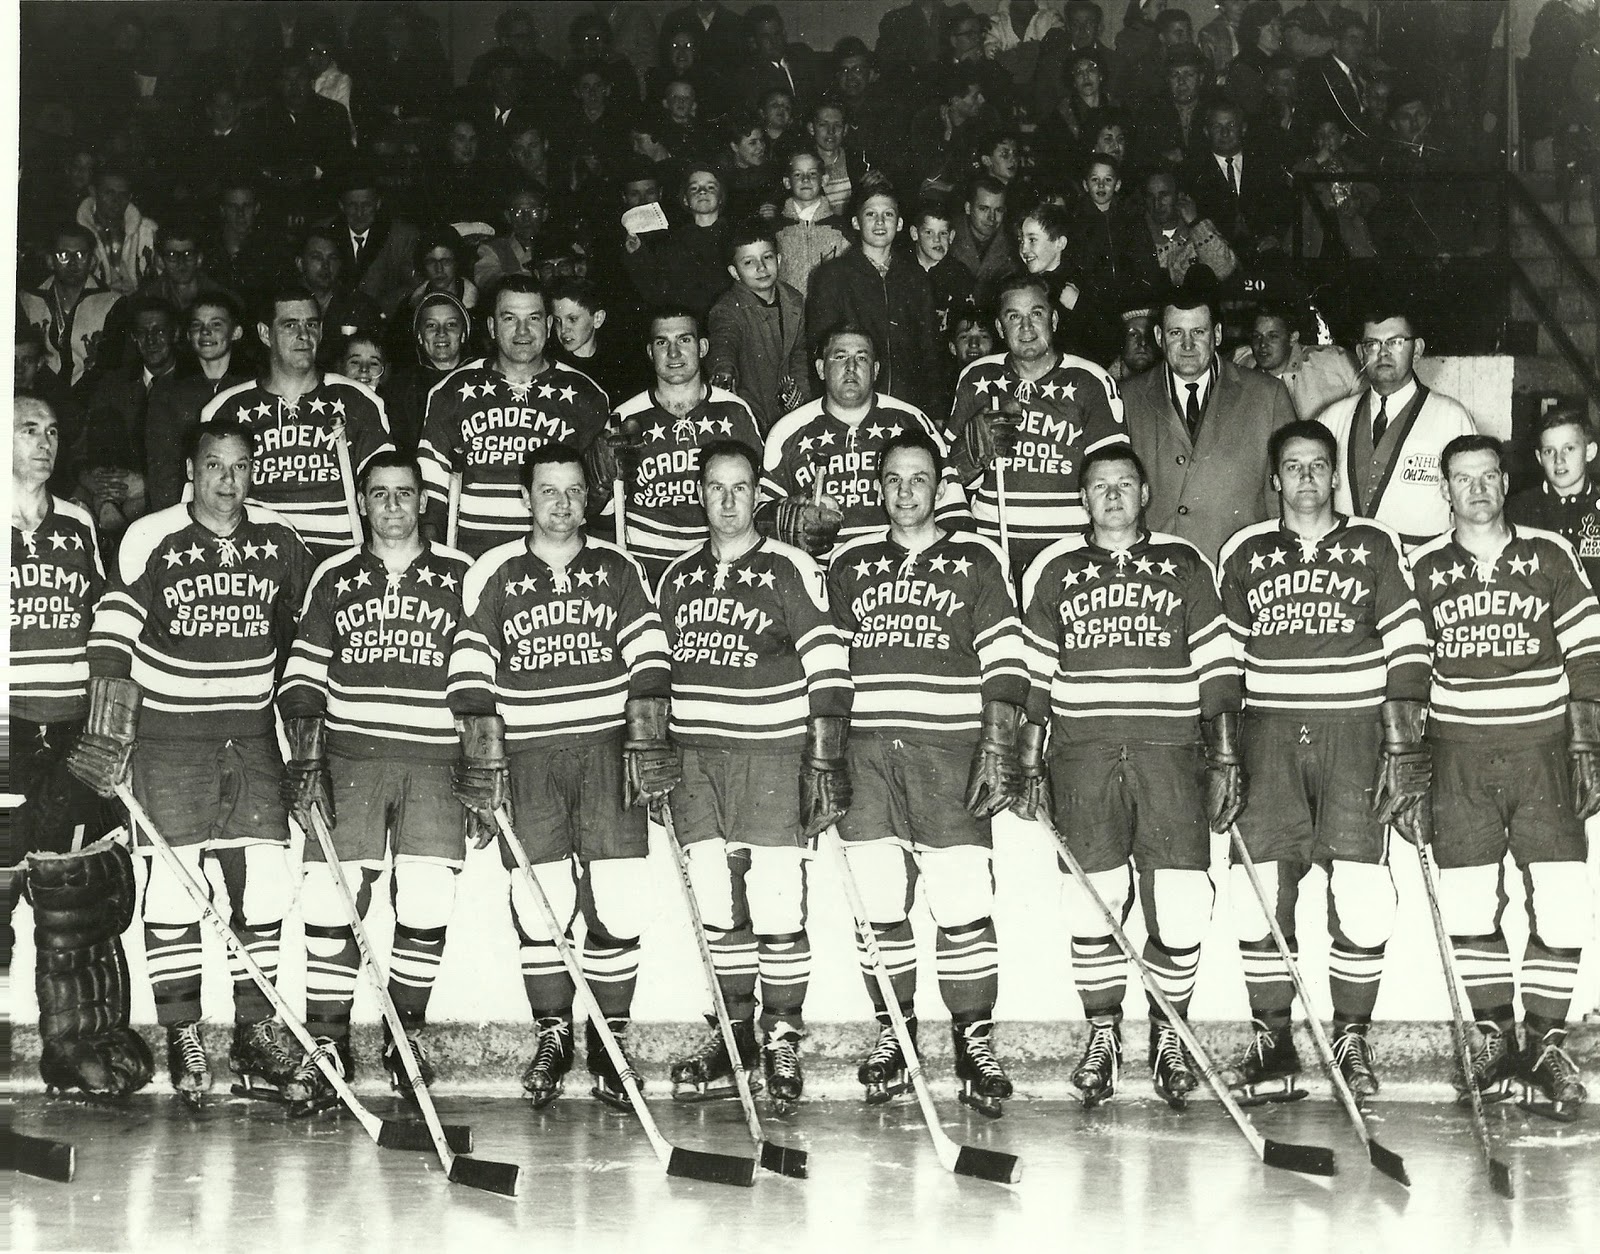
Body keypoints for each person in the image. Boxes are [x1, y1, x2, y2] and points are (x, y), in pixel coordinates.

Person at [67, 419, 317, 1108]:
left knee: (264, 884)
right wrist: (111, 731)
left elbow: (310, 629)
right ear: (191, 469)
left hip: (251, 736)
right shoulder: (152, 538)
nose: (228, 481)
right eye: (214, 466)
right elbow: (112, 637)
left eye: (240, 467)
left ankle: (256, 1030)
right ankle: (183, 1032)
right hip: (169, 740)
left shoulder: (280, 543)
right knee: (176, 890)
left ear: (252, 471)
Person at [1016, 442, 1244, 1108]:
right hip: (1083, 754)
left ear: (1145, 494)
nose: (1112, 495)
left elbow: (1218, 669)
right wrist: (1029, 756)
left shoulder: (1182, 563)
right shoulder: (1056, 568)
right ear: (1081, 499)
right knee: (1091, 902)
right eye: (1098, 486)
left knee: (1178, 905)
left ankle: (1170, 1032)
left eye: (1124, 484)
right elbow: (1035, 673)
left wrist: (1225, 754)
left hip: (1170, 752)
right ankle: (1104, 1033)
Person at [449, 442, 676, 1110]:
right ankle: (553, 1033)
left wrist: (648, 729)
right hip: (529, 755)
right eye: (548, 491)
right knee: (539, 900)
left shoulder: (617, 567)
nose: (562, 504)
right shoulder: (495, 571)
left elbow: (651, 654)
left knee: (621, 897)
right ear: (525, 499)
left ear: (589, 498)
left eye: (574, 491)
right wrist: (482, 749)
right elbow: (469, 670)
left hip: (607, 750)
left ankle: (610, 1041)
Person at [1215, 420, 1432, 1104]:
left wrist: (1403, 735)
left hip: (1354, 735)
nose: (1305, 478)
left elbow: (1408, 639)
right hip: (1269, 735)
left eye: (1317, 466)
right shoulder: (1245, 549)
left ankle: (1350, 1041)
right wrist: (1222, 743)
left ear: (1334, 475)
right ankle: (1272, 1044)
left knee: (1364, 899)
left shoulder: (1372, 542)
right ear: (1274, 479)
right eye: (1292, 467)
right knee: (1259, 898)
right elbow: (1223, 658)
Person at [827, 429, 1024, 1114]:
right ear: (877, 487)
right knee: (879, 900)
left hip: (948, 752)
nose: (904, 491)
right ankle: (896, 1034)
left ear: (939, 485)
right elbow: (831, 665)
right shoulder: (851, 563)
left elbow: (1005, 658)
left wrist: (998, 744)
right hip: (870, 754)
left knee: (962, 899)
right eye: (892, 479)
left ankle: (974, 1041)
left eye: (918, 478)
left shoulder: (975, 558)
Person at [1409, 435, 1599, 1121]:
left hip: (1543, 748)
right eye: (1463, 480)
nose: (1478, 490)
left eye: (1489, 477)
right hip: (1459, 752)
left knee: (1564, 894)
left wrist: (1586, 738)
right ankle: (1494, 1032)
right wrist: (1407, 754)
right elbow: (1406, 665)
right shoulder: (1423, 566)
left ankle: (1546, 1041)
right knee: (1465, 898)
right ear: (1446, 491)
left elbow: (1586, 648)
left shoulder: (1549, 552)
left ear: (1503, 481)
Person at [660, 439, 853, 1112]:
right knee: (717, 903)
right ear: (700, 494)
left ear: (758, 496)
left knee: (775, 901)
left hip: (772, 752)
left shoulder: (789, 567)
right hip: (697, 762)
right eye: (716, 488)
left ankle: (782, 1035)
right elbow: (658, 672)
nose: (729, 501)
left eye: (742, 488)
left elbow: (828, 660)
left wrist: (824, 751)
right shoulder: (677, 577)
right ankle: (733, 1032)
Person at [276, 451, 473, 1106]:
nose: (392, 505)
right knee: (329, 899)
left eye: (405, 494)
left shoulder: (461, 574)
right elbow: (302, 676)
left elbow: (481, 677)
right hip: (351, 758)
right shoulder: (335, 575)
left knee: (426, 901)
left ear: (424, 501)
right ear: (362, 501)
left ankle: (403, 1034)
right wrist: (306, 759)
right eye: (379, 493)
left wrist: (480, 758)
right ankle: (328, 1044)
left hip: (434, 761)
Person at [13, 395, 154, 1101]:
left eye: (53, 430)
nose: (45, 442)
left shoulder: (73, 521)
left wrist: (108, 715)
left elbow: (106, 617)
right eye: (28, 430)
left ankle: (74, 1049)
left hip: (67, 731)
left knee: (76, 900)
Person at [946, 274, 1129, 574]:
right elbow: (948, 475)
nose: (1026, 327)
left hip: (1069, 556)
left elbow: (1116, 478)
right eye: (1014, 316)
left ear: (1054, 319)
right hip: (994, 550)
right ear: (999, 327)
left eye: (1036, 313)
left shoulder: (1090, 380)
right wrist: (970, 454)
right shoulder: (977, 377)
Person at [418, 276, 610, 558]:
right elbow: (432, 493)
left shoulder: (585, 395)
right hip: (472, 554)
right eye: (509, 318)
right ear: (492, 327)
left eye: (533, 318)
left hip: (553, 558)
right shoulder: (451, 392)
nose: (523, 331)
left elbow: (597, 501)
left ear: (547, 326)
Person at [200, 285, 394, 558]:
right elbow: (202, 507)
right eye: (290, 325)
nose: (304, 335)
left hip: (337, 563)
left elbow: (387, 491)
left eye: (312, 325)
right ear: (265, 333)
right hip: (258, 561)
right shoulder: (226, 409)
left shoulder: (358, 400)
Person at [760, 325, 968, 560]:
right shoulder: (787, 430)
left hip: (900, 574)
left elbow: (953, 511)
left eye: (862, 357)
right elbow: (759, 518)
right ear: (820, 369)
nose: (851, 367)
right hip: (820, 574)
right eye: (840, 357)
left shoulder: (912, 420)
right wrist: (786, 517)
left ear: (876, 369)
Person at [1122, 289, 1297, 561]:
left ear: (1217, 334)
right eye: (1176, 333)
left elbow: (1284, 496)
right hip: (1156, 572)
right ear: (1158, 337)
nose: (1188, 345)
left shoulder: (1267, 395)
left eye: (1198, 332)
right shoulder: (1127, 398)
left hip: (1240, 568)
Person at [599, 306, 764, 585]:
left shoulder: (735, 411)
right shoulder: (624, 418)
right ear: (651, 352)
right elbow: (605, 509)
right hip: (648, 565)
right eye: (663, 342)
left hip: (721, 561)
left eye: (684, 340)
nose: (673, 353)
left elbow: (760, 495)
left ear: (702, 347)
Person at [1315, 306, 1478, 550]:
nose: (1383, 353)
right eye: (1372, 344)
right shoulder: (1332, 418)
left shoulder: (1451, 418)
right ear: (1360, 353)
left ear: (1417, 350)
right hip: (1347, 569)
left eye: (1396, 342)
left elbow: (1472, 504)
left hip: (1422, 564)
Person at [806, 183, 940, 417]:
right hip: (851, 402)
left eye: (888, 214)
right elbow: (819, 347)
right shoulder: (833, 276)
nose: (880, 222)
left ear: (899, 224)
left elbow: (929, 348)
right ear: (856, 223)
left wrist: (934, 407)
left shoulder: (916, 278)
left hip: (907, 400)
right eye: (870, 214)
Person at [77, 294, 177, 547]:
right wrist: (90, 478)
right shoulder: (113, 384)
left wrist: (146, 484)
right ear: (133, 337)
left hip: (162, 497)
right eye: (142, 333)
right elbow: (80, 447)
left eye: (159, 331)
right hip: (108, 493)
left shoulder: (190, 385)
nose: (151, 340)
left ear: (175, 334)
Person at [145, 294, 253, 510]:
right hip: (188, 503)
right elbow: (162, 468)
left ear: (236, 332)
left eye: (216, 324)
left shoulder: (253, 386)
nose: (206, 332)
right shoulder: (167, 390)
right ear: (188, 335)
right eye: (197, 326)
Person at [707, 223, 811, 434]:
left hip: (791, 410)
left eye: (767, 257)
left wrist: (801, 399)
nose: (761, 267)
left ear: (779, 260)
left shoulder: (795, 300)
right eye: (749, 262)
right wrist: (723, 372)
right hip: (750, 408)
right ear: (735, 273)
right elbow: (724, 342)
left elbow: (800, 354)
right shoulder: (727, 308)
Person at [17, 223, 124, 388]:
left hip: (92, 398)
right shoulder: (28, 300)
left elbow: (111, 368)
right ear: (50, 261)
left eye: (80, 255)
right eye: (63, 255)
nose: (72, 263)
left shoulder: (112, 303)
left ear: (92, 261)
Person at [1507, 407, 1600, 587]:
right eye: (1549, 451)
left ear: (1590, 452)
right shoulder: (1518, 509)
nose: (1559, 460)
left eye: (1569, 448)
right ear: (1539, 457)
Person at [1232, 301, 1358, 421]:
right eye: (1256, 336)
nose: (1263, 344)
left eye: (1273, 336)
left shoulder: (1334, 362)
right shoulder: (1239, 365)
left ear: (1293, 338)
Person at [384, 292, 469, 456]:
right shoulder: (401, 387)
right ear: (420, 336)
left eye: (451, 324)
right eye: (431, 325)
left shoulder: (481, 376)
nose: (441, 332)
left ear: (463, 334)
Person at [293, 227, 384, 358]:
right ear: (300, 263)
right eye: (317, 257)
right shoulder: (284, 303)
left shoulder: (360, 306)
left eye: (332, 258)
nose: (325, 265)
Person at [551, 278, 643, 407]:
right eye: (557, 321)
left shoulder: (618, 367)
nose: (563, 329)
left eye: (572, 319)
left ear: (598, 319)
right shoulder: (550, 365)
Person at [775, 149, 852, 299]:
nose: (805, 179)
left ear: (824, 180)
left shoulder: (841, 228)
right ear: (787, 182)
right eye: (797, 174)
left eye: (812, 174)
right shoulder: (776, 229)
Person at [77, 166, 159, 296]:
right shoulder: (77, 234)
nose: (116, 201)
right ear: (93, 192)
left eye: (123, 195)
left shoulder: (148, 231)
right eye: (109, 193)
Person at [949, 174, 1016, 309]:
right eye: (983, 209)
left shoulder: (1015, 245)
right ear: (968, 208)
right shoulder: (945, 235)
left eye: (998, 210)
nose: (992, 218)